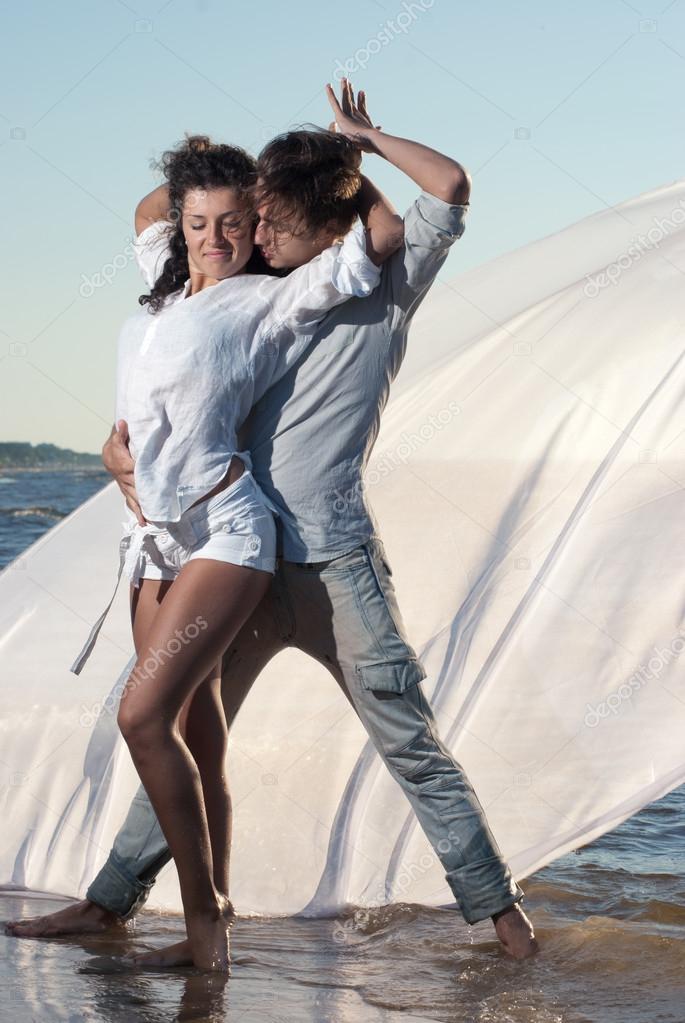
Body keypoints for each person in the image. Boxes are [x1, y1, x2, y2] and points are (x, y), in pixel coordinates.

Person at [5, 82, 538, 963]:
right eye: (253, 220)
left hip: (333, 565)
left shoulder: (382, 281)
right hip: (238, 555)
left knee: (407, 737)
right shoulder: (253, 289)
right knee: (174, 723)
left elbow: (442, 193)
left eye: (274, 218)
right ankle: (112, 903)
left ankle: (504, 916)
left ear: (319, 217)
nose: (260, 233)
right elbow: (175, 359)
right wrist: (120, 449)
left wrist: (354, 150)